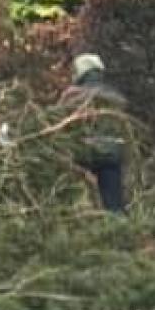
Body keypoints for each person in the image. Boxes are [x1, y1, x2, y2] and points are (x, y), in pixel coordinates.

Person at [58, 53, 129, 213]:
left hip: (83, 155)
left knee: (80, 202)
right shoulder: (114, 96)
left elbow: (60, 124)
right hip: (111, 155)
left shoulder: (72, 97)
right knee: (113, 202)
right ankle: (119, 229)